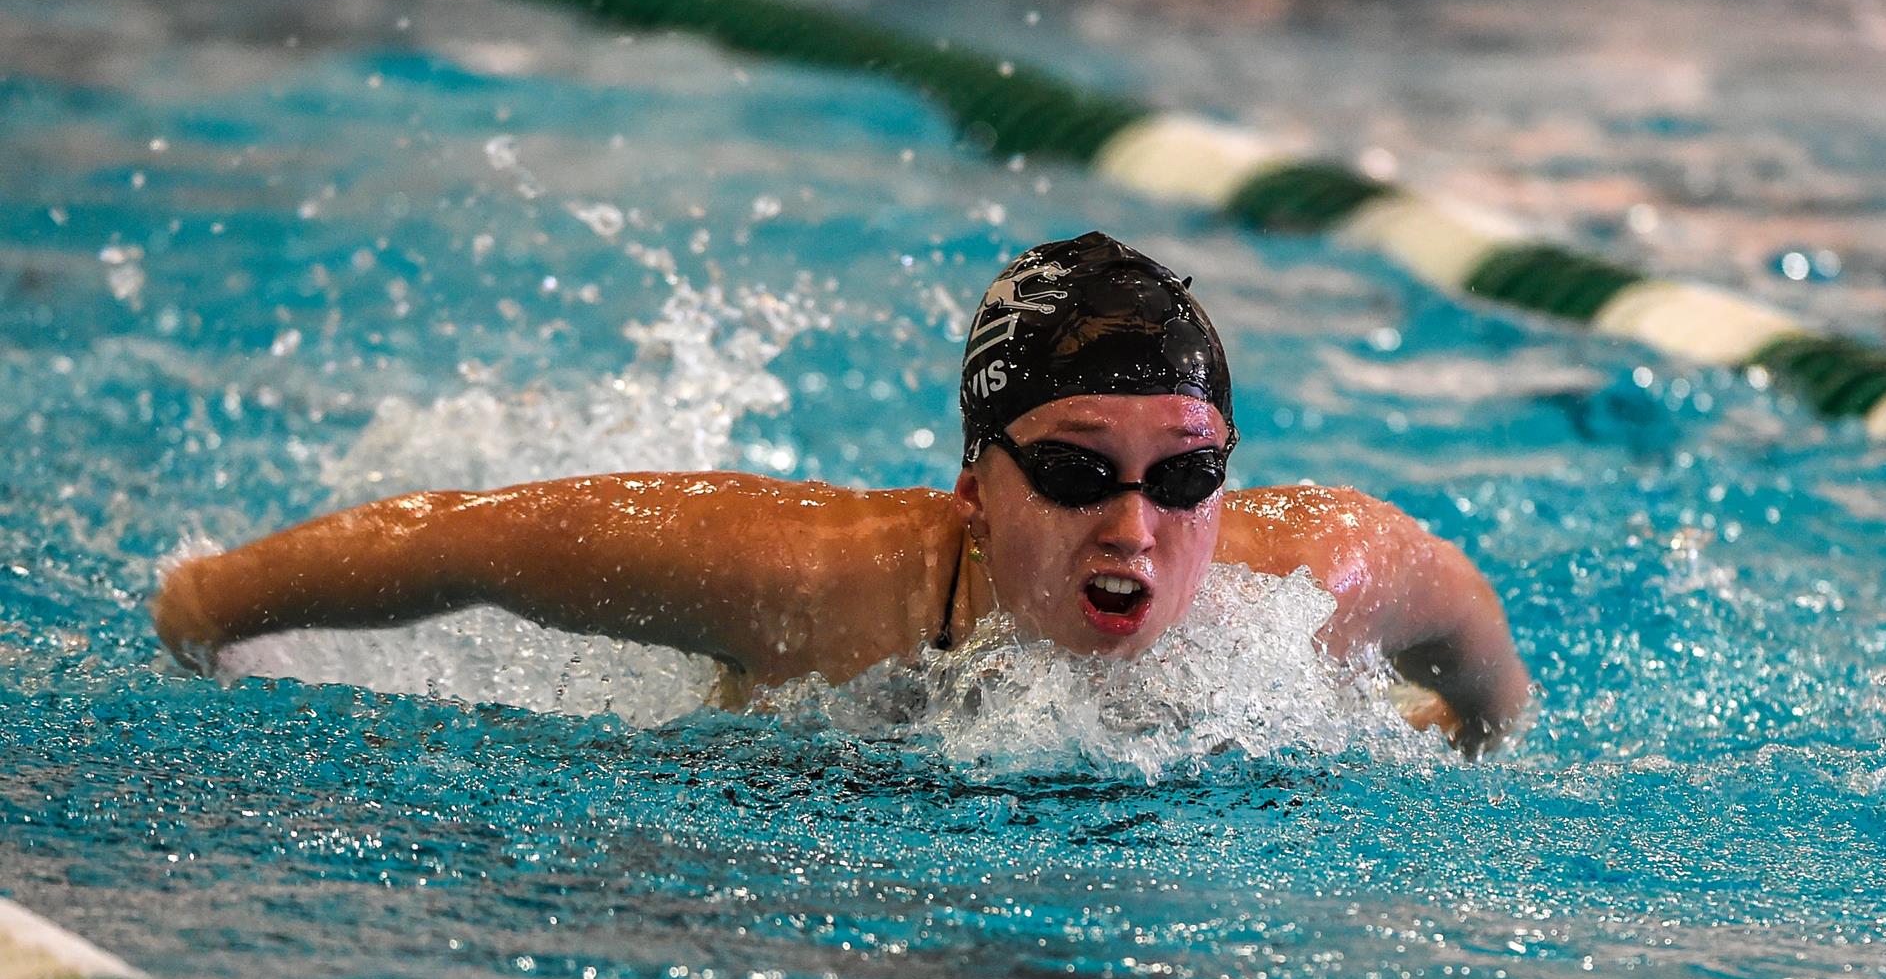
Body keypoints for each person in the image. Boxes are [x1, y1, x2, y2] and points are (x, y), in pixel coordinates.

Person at [154, 233, 1530, 753]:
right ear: (975, 489)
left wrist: (1471, 737)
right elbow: (479, 545)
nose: (1133, 529)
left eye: (1185, 479)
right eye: (1072, 473)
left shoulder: (1315, 578)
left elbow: (1475, 652)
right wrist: (204, 605)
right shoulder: (808, 583)